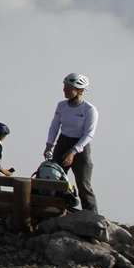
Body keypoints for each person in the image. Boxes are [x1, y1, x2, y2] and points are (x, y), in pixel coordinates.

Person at [43, 73, 98, 212]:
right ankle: (52, 211)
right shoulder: (61, 105)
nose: (64, 90)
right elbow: (55, 126)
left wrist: (73, 152)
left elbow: (89, 134)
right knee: (53, 178)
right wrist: (49, 145)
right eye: (64, 87)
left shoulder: (89, 109)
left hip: (80, 145)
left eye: (69, 88)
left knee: (83, 183)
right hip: (63, 141)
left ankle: (92, 216)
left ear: (80, 91)